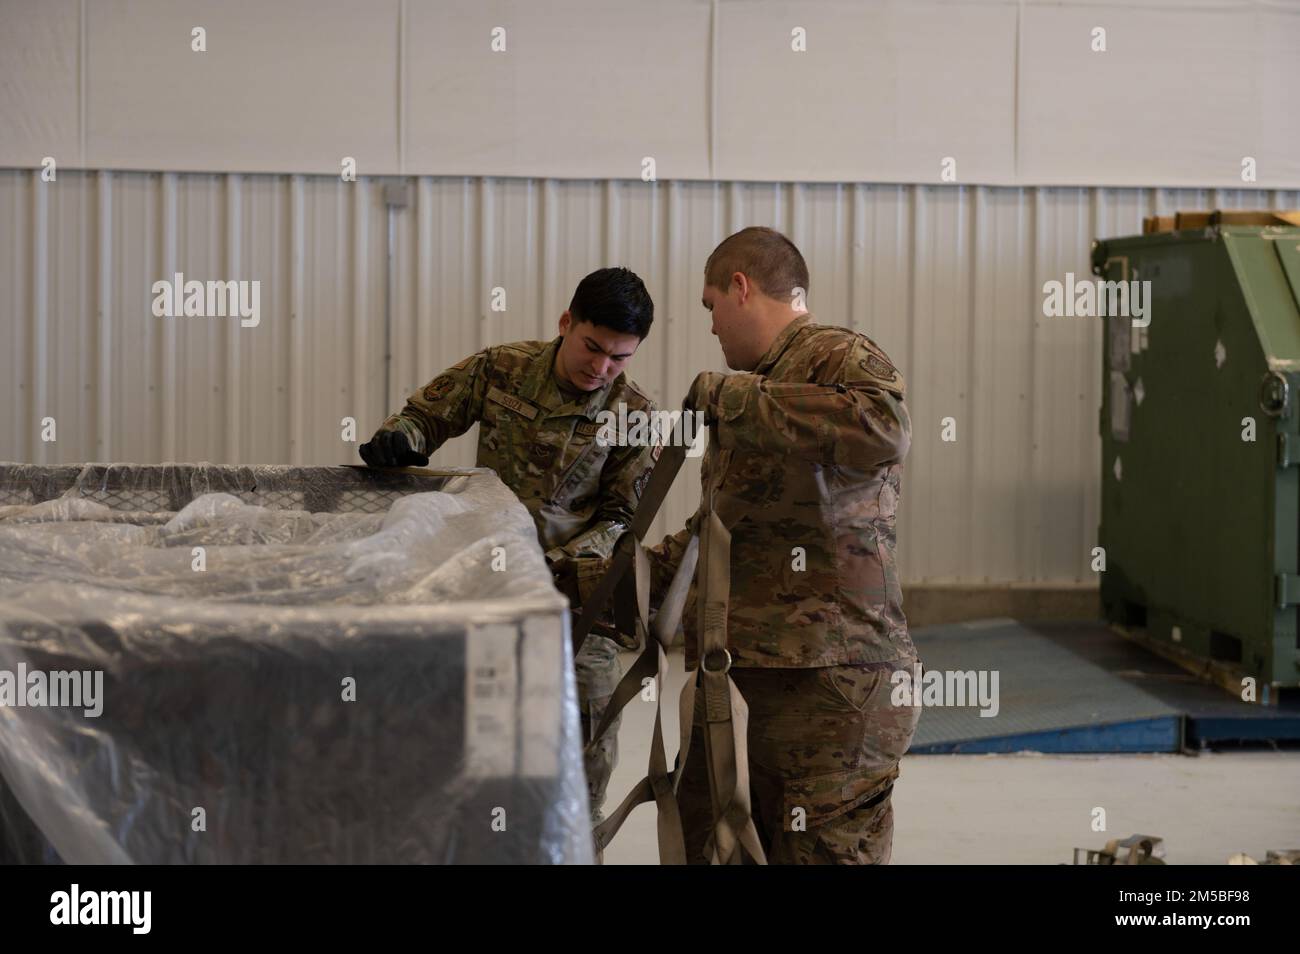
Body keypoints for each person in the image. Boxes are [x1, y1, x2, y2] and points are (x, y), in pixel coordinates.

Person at [651, 226, 920, 864]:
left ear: (741, 288)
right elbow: (720, 534)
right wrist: (590, 578)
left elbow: (883, 429)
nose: (712, 328)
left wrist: (732, 399)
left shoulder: (834, 354)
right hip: (744, 682)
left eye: (711, 305)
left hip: (830, 685)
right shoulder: (763, 385)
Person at [359, 266, 659, 825]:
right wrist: (401, 439)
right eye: (591, 348)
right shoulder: (503, 368)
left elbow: (624, 520)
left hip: (578, 599)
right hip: (491, 585)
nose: (600, 369)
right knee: (491, 737)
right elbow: (427, 414)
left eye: (619, 358)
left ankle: (575, 844)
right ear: (566, 322)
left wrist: (553, 566)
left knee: (585, 742)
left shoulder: (635, 415)